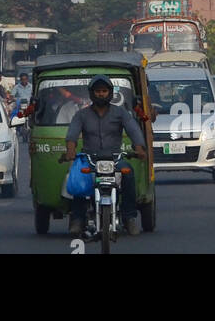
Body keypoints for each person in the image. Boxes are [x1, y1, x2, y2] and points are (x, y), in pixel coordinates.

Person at [58, 75, 149, 236]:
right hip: (89, 159)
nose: (101, 94)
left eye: (104, 91)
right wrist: (70, 150)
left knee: (128, 174)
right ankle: (78, 219)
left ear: (110, 93)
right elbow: (72, 134)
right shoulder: (82, 114)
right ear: (92, 93)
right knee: (78, 178)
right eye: (98, 91)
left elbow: (133, 130)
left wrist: (139, 148)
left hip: (115, 158)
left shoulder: (120, 113)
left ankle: (129, 217)